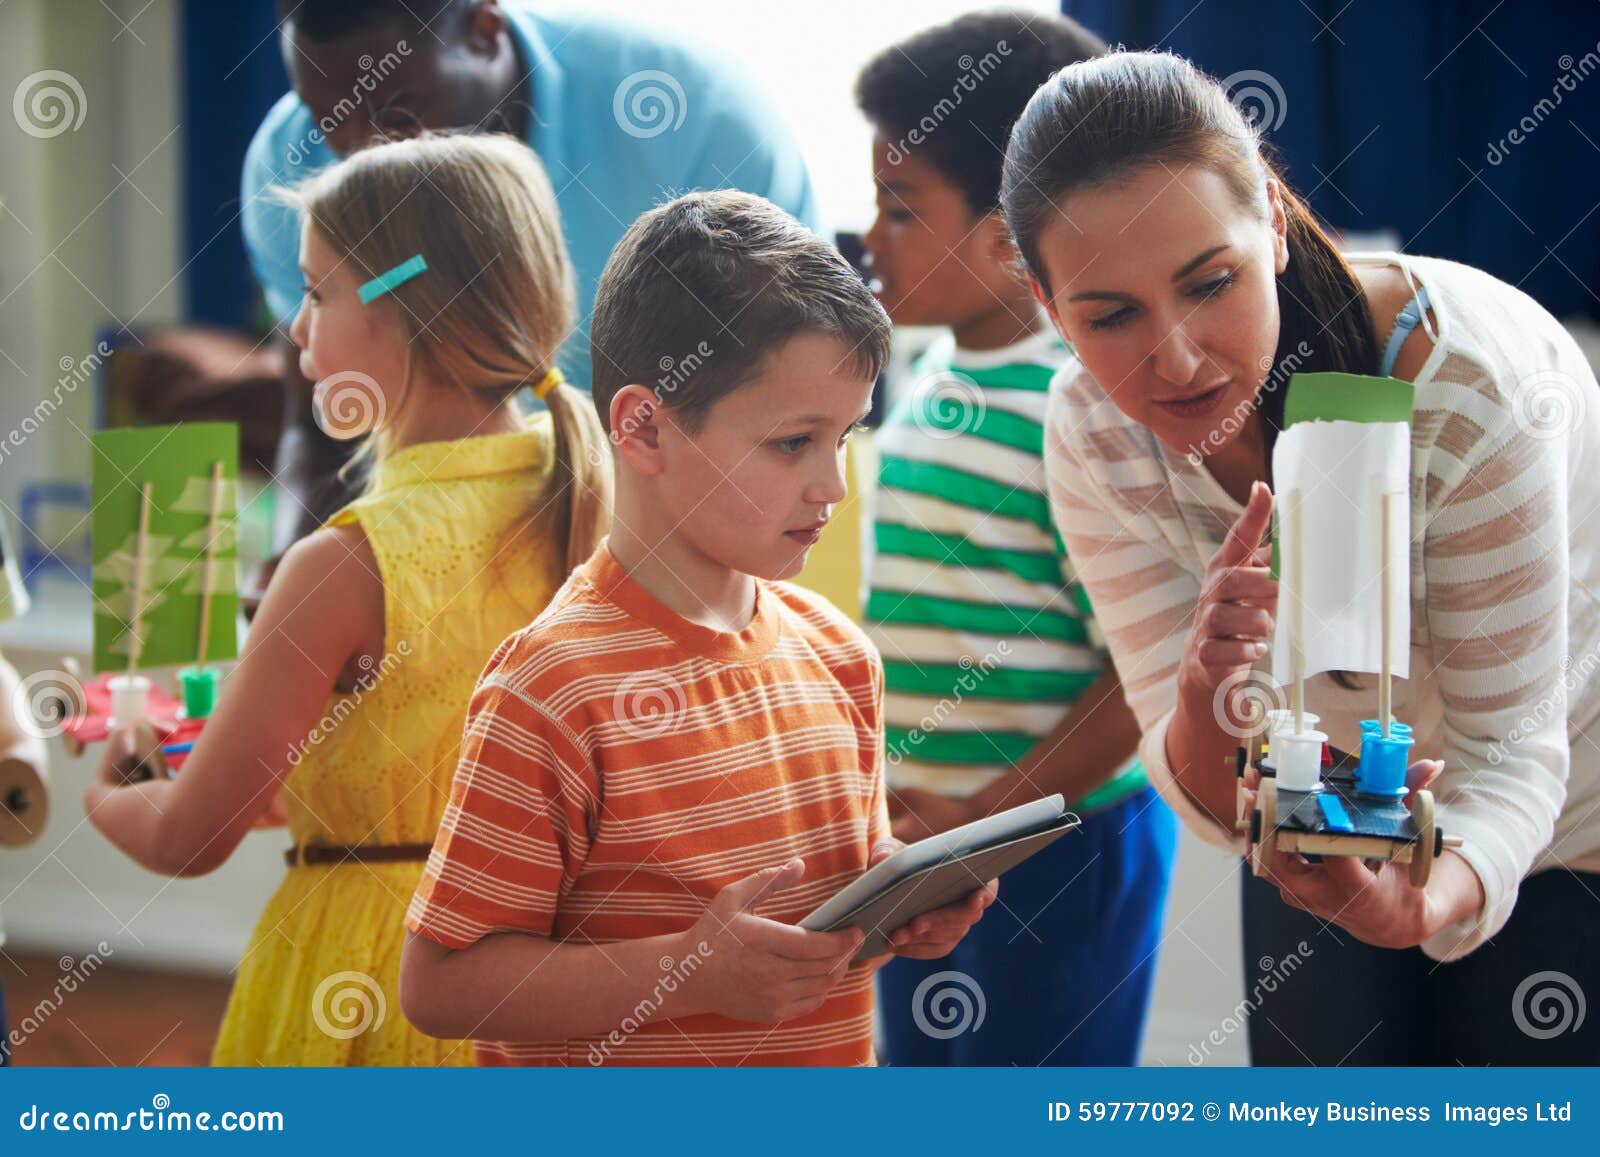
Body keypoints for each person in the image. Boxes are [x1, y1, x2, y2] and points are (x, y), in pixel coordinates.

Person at [1001, 49, 1600, 1064]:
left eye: (1210, 283)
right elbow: (1198, 771)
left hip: (1567, 813)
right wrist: (1199, 694)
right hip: (1319, 813)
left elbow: (1511, 755)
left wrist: (1421, 900)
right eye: (1109, 315)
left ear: (1273, 223)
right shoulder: (1092, 435)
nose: (1178, 357)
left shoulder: (1465, 389)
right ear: (1045, 305)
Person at [399, 191, 996, 1065]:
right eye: (795, 442)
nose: (833, 485)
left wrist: (900, 905)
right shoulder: (551, 688)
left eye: (846, 437)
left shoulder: (841, 657)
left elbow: (819, 916)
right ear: (643, 426)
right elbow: (441, 984)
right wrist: (685, 971)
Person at [84, 133, 611, 1065]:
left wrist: (115, 782)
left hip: (370, 992)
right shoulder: (594, 502)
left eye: (318, 292)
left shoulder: (343, 565)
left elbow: (183, 839)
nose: (294, 331)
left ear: (399, 308)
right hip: (546, 989)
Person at [855, 11, 1175, 1066]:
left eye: (901, 210)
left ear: (1007, 236)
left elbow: (1141, 673)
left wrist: (982, 820)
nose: (870, 239)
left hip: (1055, 852)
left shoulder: (1077, 408)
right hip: (930, 848)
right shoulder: (927, 385)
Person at [243, 0, 818, 557]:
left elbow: (771, 403)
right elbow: (323, 414)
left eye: (401, 114)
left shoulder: (696, 123)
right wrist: (296, 570)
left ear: (485, 28)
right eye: (331, 124)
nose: (363, 152)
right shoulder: (288, 169)